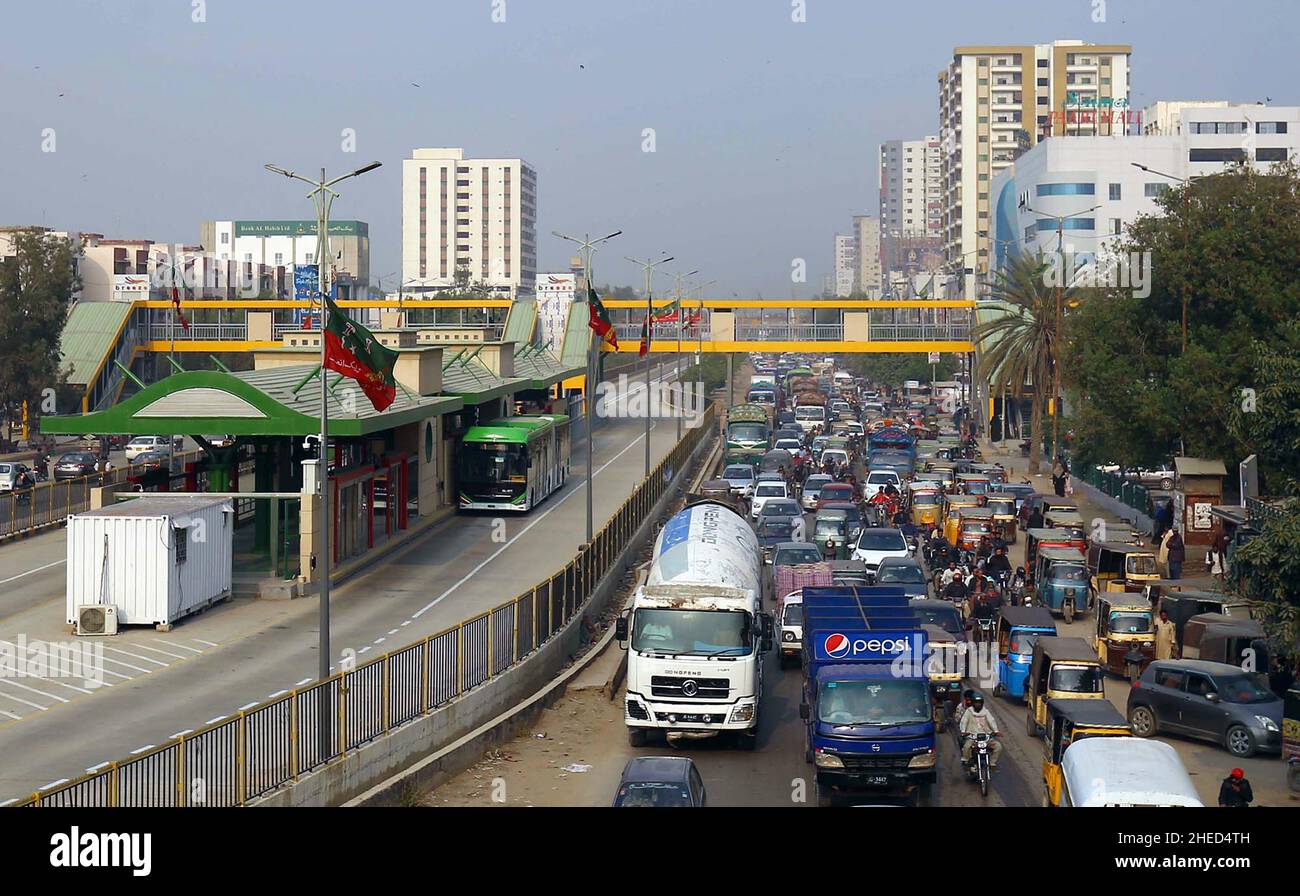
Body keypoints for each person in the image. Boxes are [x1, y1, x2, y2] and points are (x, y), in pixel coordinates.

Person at [959, 694, 1002, 771]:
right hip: (973, 737)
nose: (978, 704)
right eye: (976, 703)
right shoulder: (969, 711)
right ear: (973, 703)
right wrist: (963, 731)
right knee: (966, 747)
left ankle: (992, 763)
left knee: (998, 746)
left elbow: (991, 721)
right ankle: (966, 761)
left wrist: (996, 731)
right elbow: (964, 722)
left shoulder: (986, 712)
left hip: (985, 737)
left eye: (979, 703)